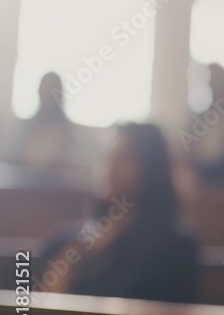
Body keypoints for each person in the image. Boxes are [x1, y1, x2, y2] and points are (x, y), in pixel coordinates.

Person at [36, 123, 200, 303]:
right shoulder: (65, 239)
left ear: (152, 167)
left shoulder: (175, 247)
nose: (110, 166)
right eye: (106, 155)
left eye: (123, 158)